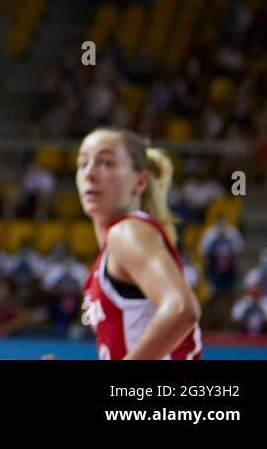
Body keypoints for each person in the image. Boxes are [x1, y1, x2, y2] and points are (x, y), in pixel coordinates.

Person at [77, 127, 202, 359]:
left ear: (140, 181)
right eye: (83, 163)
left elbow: (182, 309)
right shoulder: (114, 248)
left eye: (106, 163)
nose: (89, 173)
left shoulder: (127, 232)